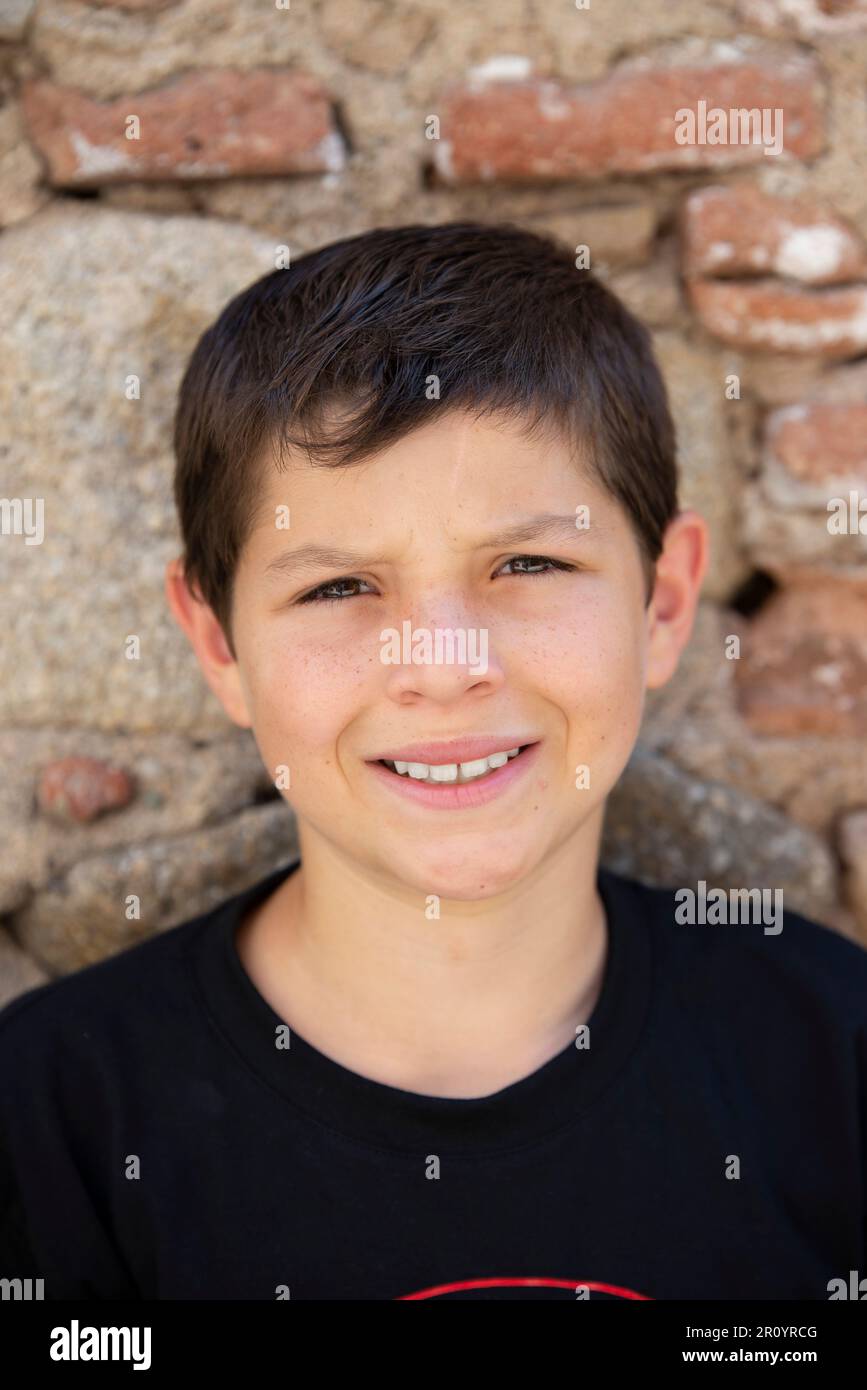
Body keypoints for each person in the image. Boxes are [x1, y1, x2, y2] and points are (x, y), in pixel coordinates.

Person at [1, 221, 865, 1301]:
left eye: (529, 563)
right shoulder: (49, 1130)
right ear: (219, 643)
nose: (445, 667)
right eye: (339, 587)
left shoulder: (836, 1064)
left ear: (664, 602)